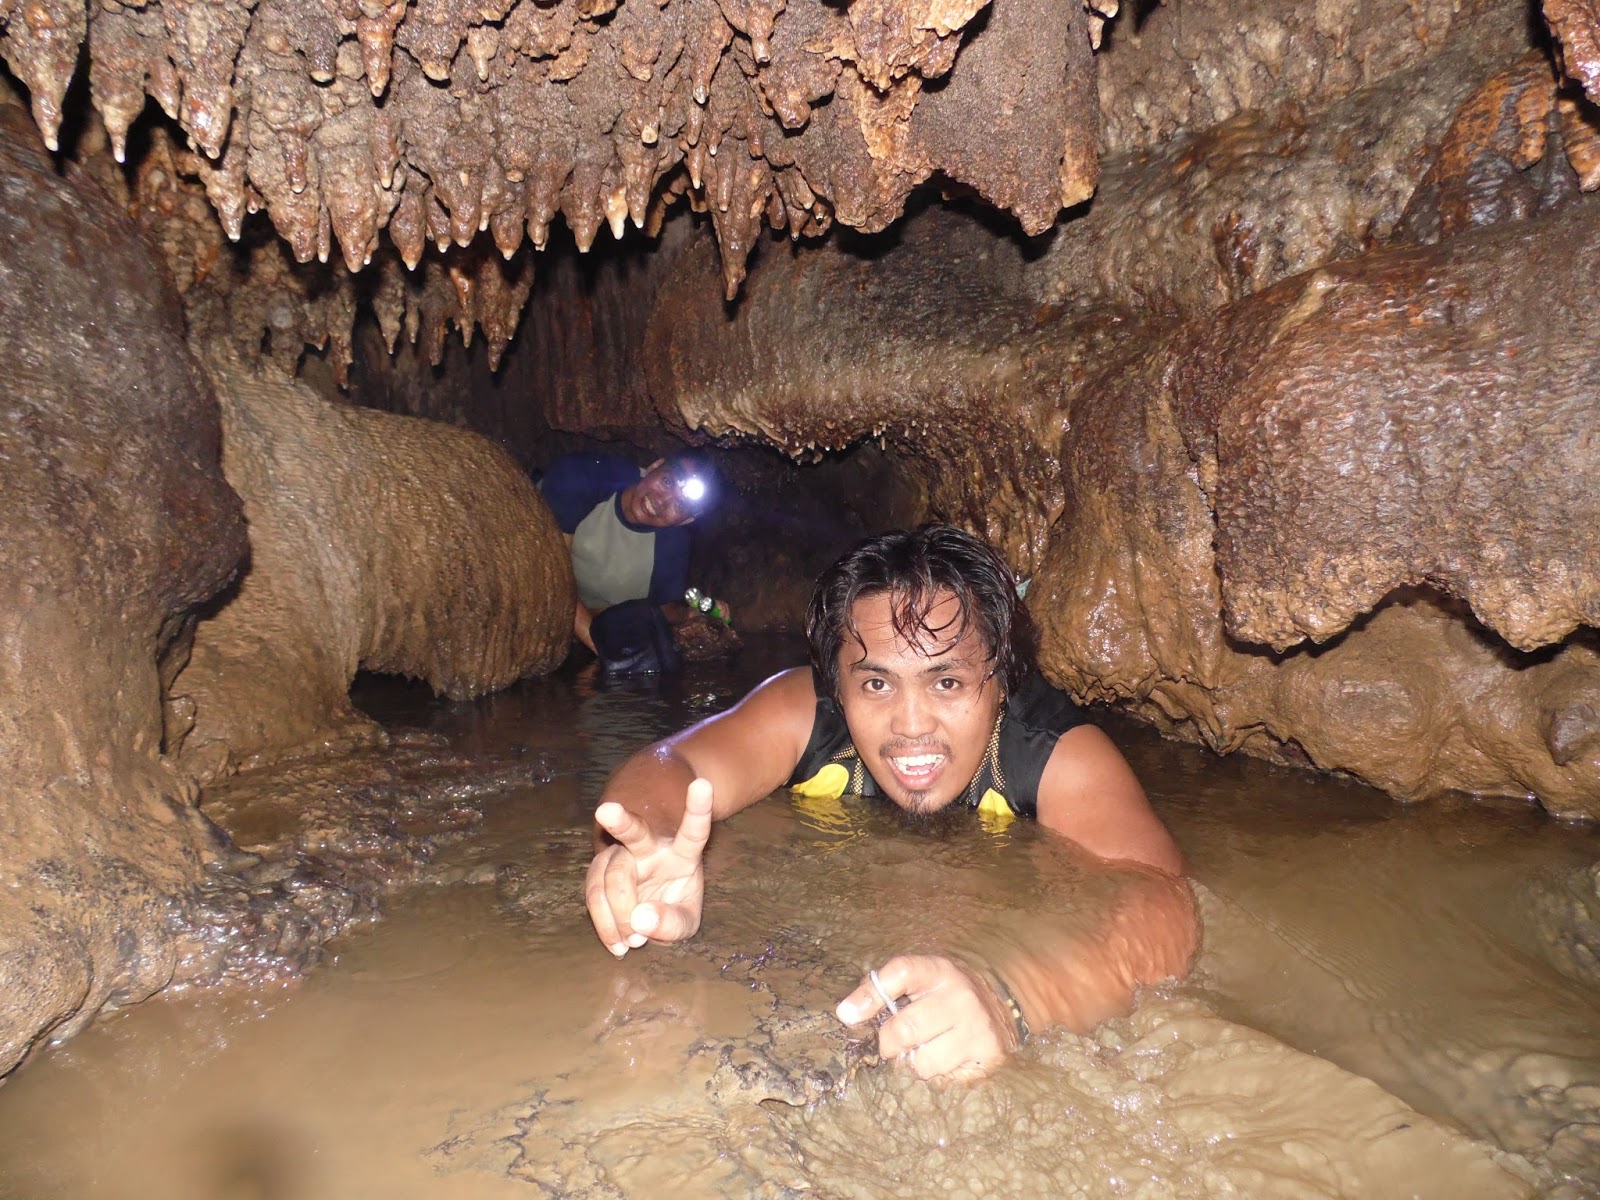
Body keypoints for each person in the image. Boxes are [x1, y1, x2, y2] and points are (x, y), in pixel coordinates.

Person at [583, 524, 1198, 1081]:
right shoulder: (804, 710)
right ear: (836, 681)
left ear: (1002, 679)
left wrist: (1013, 998)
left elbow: (1160, 900)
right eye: (877, 683)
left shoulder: (1057, 755)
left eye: (947, 682)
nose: (911, 725)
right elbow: (672, 764)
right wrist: (648, 839)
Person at [538, 452, 727, 668]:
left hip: (586, 618)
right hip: (536, 586)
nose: (661, 501)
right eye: (667, 482)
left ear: (686, 520)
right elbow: (549, 571)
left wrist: (692, 613)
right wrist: (606, 652)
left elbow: (662, 608)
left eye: (681, 506)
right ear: (654, 466)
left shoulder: (672, 545)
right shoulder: (587, 476)